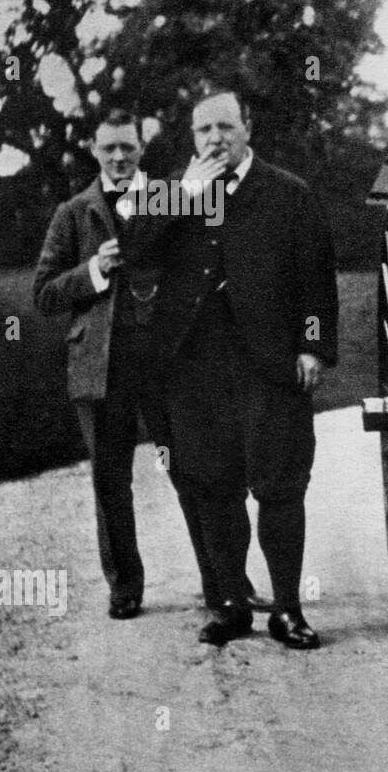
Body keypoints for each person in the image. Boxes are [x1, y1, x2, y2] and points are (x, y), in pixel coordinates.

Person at [128, 90, 338, 649]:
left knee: (280, 488)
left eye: (225, 126)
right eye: (203, 131)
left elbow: (318, 281)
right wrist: (181, 197)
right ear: (192, 138)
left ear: (248, 128)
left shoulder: (288, 194)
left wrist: (313, 347)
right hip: (194, 366)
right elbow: (135, 253)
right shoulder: (173, 193)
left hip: (269, 366)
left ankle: (288, 610)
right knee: (212, 487)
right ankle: (230, 607)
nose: (214, 139)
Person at [33, 109, 259, 618]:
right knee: (111, 480)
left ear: (142, 149)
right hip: (102, 366)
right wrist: (93, 270)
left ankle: (222, 582)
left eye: (128, 148)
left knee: (191, 468)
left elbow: (206, 256)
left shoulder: (171, 195)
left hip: (167, 360)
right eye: (109, 148)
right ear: (94, 149)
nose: (118, 158)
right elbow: (43, 294)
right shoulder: (74, 213)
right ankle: (125, 587)